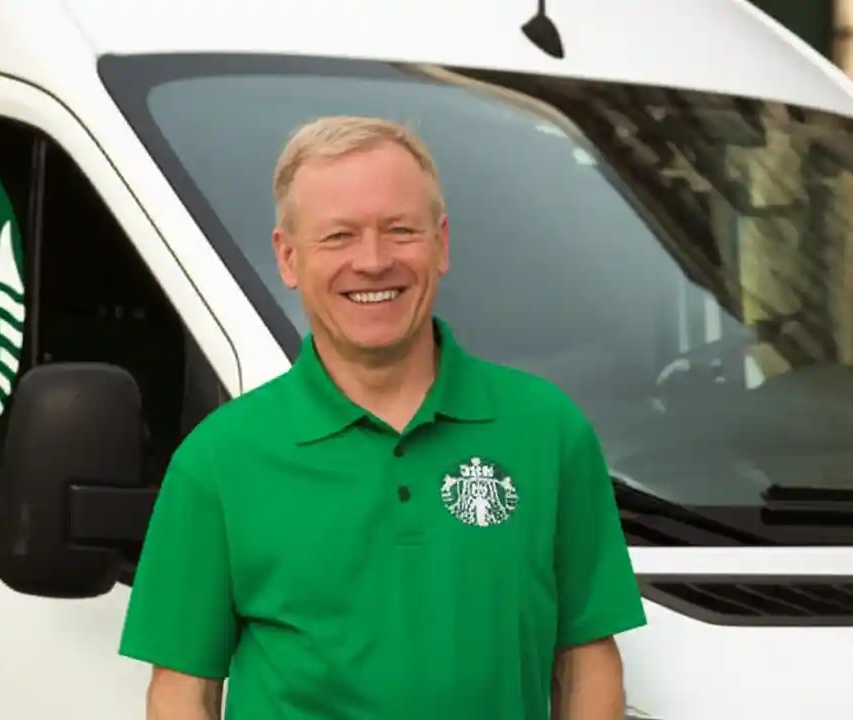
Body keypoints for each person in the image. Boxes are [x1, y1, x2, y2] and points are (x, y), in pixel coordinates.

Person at [119, 115, 647, 719]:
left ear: (441, 243)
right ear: (287, 257)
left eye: (400, 230)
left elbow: (586, 658)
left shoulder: (547, 431)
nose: (372, 261)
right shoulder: (218, 460)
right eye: (338, 236)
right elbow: (183, 691)